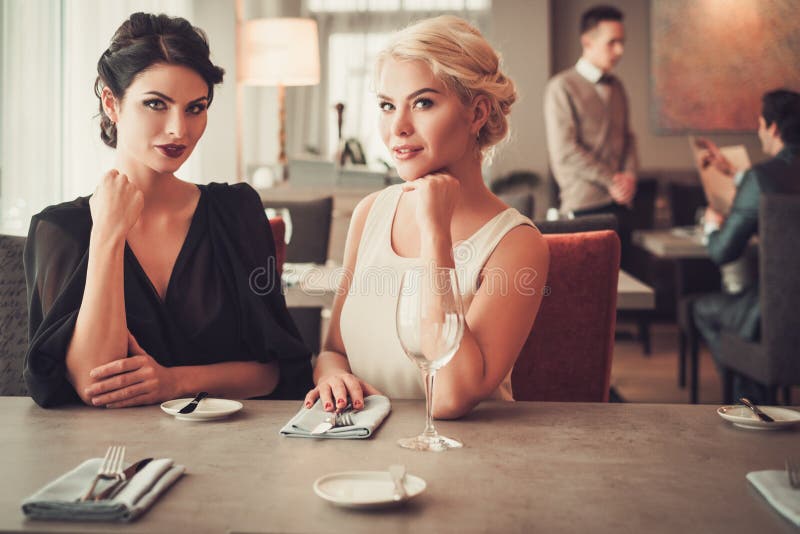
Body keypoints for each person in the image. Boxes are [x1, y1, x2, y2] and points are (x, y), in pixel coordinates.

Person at [24, 13, 312, 408]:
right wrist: (107, 234)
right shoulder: (60, 229)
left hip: (237, 451)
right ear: (112, 102)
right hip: (111, 457)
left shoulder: (236, 210)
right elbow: (95, 384)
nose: (179, 128)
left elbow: (276, 371)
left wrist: (174, 382)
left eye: (196, 108)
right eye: (156, 104)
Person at [304, 16, 549, 419]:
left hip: (469, 461)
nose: (397, 127)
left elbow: (451, 398)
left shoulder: (516, 244)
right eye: (387, 105)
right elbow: (334, 351)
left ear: (477, 114)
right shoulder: (370, 213)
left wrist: (435, 232)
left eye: (422, 103)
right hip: (359, 456)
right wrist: (332, 378)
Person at [692, 89, 800, 401]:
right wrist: (737, 175)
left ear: (774, 128)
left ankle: (751, 398)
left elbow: (723, 252)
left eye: (760, 125)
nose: (759, 131)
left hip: (778, 311)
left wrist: (712, 226)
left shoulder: (762, 177)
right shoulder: (759, 179)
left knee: (703, 309)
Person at [543, 5, 637, 261]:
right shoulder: (561, 87)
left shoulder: (617, 87)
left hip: (621, 205)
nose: (620, 51)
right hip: (583, 205)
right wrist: (612, 181)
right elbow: (565, 151)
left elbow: (628, 138)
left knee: (622, 292)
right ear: (587, 41)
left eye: (622, 42)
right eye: (612, 43)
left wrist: (629, 175)